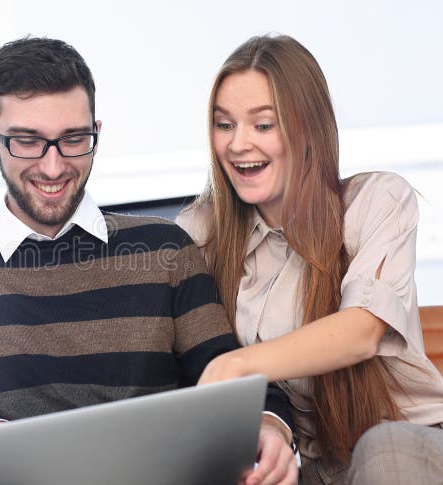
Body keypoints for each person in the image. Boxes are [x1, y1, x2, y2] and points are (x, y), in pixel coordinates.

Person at [0, 36, 298, 485]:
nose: (53, 168)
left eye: (73, 140)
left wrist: (269, 425)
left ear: (97, 133)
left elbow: (237, 379)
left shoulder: (165, 249)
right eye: (27, 142)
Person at [178, 34, 443, 484]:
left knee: (383, 447)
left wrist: (240, 364)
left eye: (263, 125)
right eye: (225, 125)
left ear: (308, 128)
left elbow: (361, 330)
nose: (239, 144)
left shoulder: (375, 202)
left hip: (405, 448)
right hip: (299, 465)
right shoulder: (201, 235)